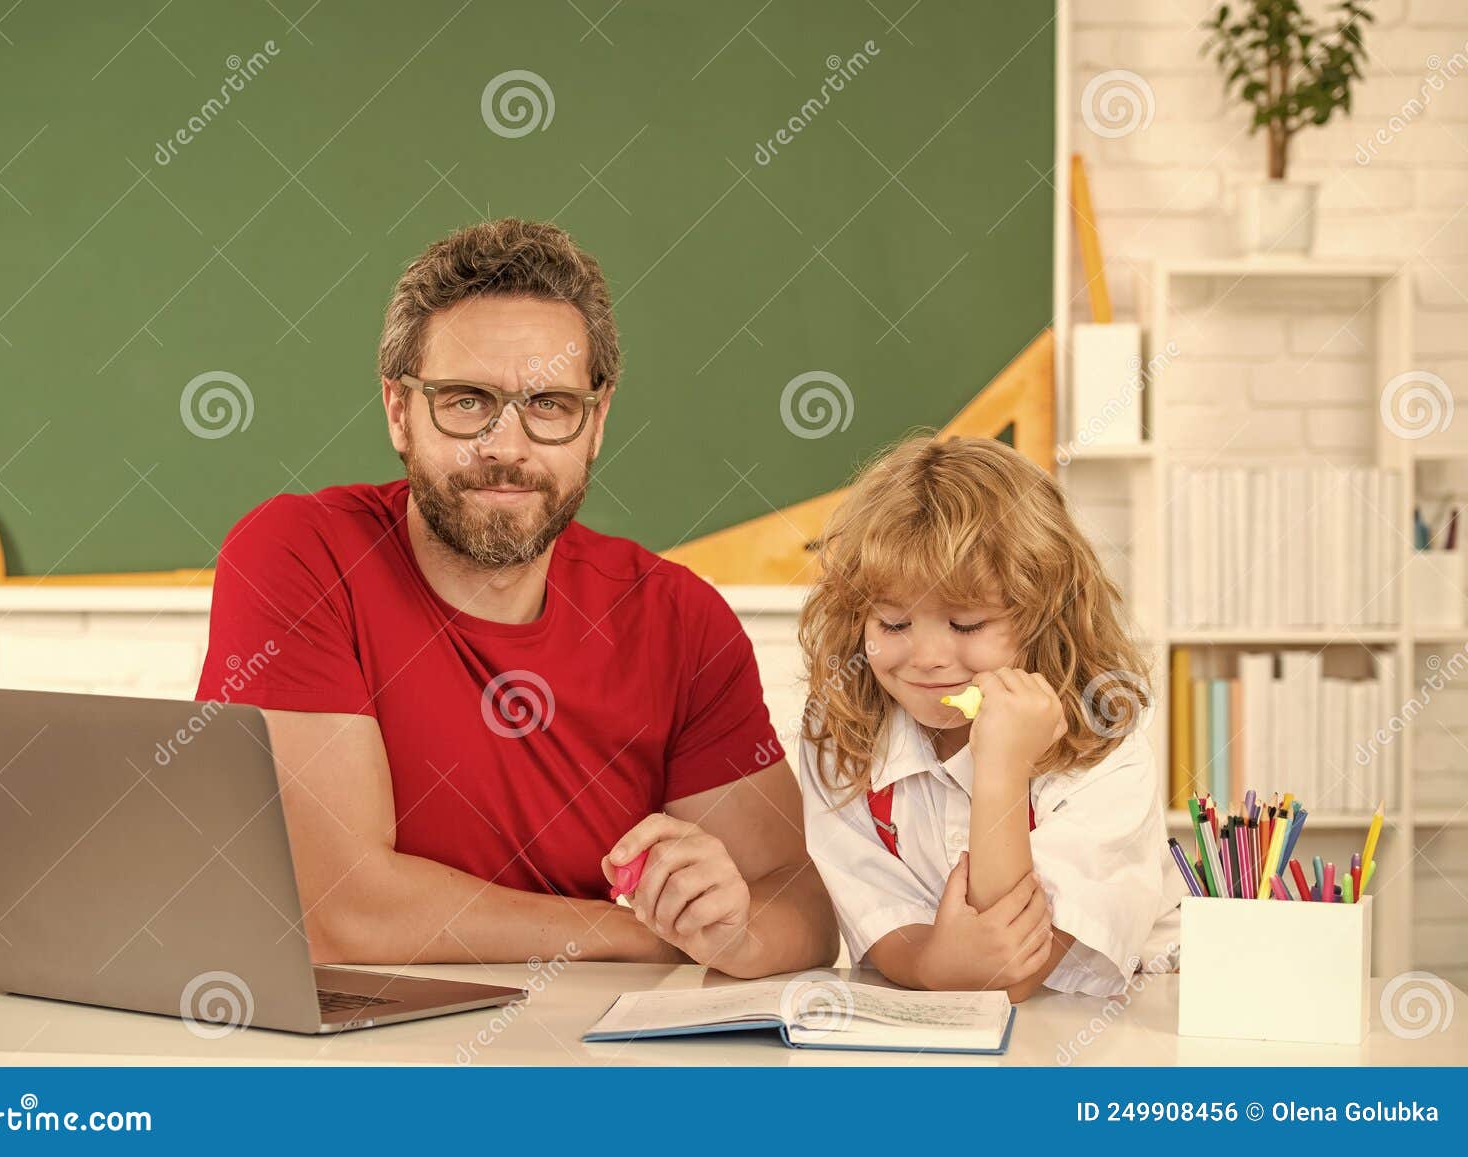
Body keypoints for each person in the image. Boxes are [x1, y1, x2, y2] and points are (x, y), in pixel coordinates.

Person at [196, 217, 838, 976]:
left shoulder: (680, 619)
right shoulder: (300, 554)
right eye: (466, 401)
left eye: (548, 405)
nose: (506, 446)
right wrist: (645, 933)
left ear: (595, 423)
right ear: (399, 411)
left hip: (598, 1063)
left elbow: (800, 905)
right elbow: (340, 911)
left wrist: (733, 929)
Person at [797, 434, 1180, 1000]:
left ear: (1045, 616)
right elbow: (880, 922)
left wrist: (1000, 768)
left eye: (968, 625)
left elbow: (1014, 975)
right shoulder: (840, 736)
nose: (927, 658)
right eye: (894, 626)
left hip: (1118, 1025)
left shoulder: (1108, 749)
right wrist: (932, 964)